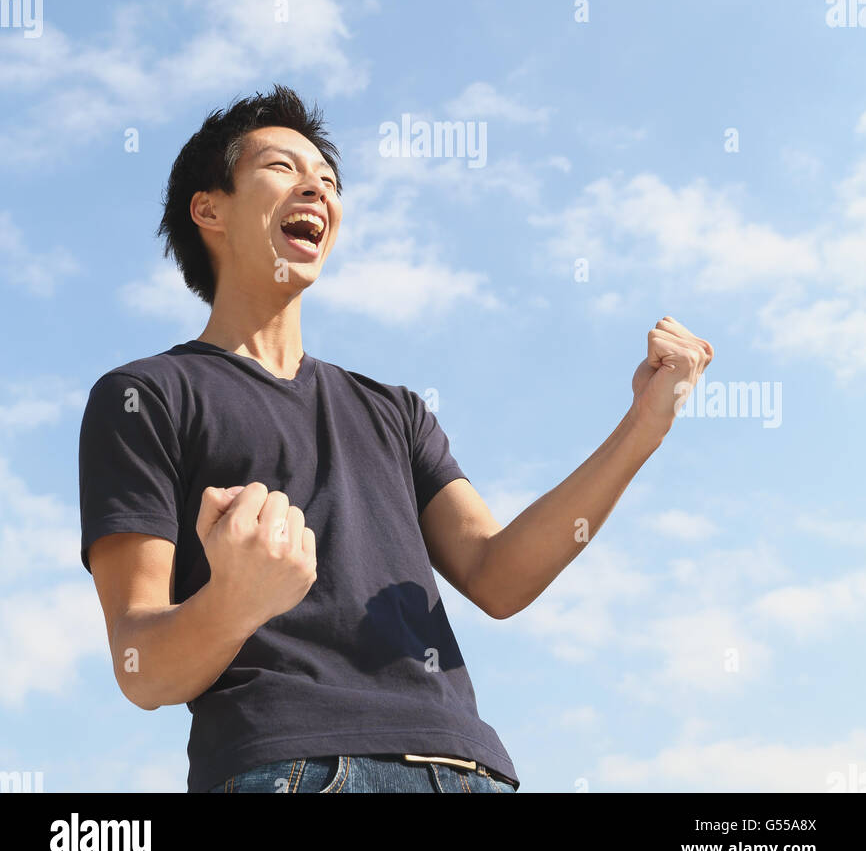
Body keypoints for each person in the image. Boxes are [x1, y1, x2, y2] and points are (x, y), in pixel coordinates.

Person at [78, 85, 713, 794]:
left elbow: (499, 577)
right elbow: (143, 667)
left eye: (328, 179)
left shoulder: (395, 411)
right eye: (284, 168)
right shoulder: (144, 398)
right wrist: (236, 599)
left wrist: (644, 425)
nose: (316, 188)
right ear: (210, 208)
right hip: (296, 767)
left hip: (472, 771)